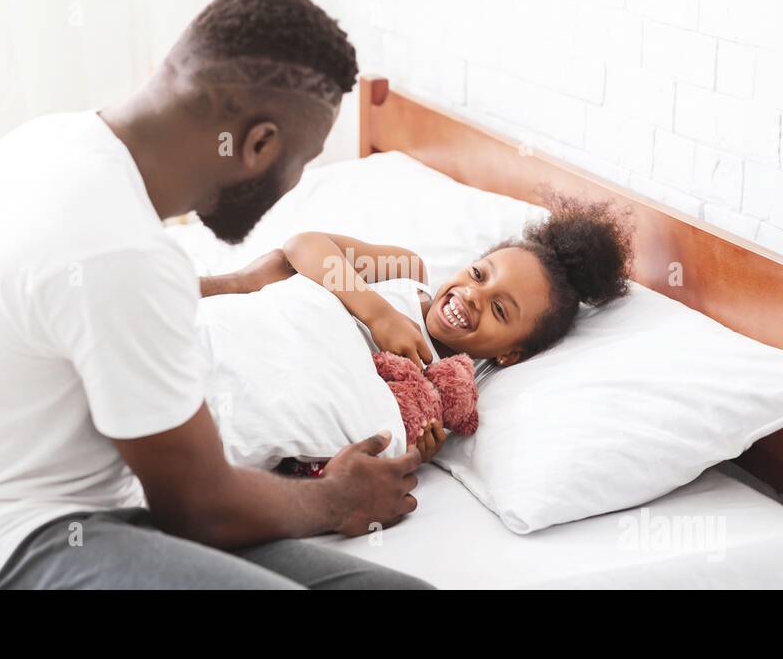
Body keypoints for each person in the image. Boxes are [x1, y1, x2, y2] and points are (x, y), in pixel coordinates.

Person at [0, 0, 432, 590]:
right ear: (258, 144)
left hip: (85, 521)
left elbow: (79, 307)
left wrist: (235, 283)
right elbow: (201, 506)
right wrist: (337, 500)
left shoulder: (43, 146)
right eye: (304, 161)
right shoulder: (119, 246)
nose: (295, 186)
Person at [208, 194, 632, 462]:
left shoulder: (444, 399)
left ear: (510, 355)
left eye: (499, 311)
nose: (471, 297)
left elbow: (353, 439)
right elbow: (304, 246)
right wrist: (378, 312)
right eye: (479, 274)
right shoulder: (406, 274)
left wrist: (412, 455)